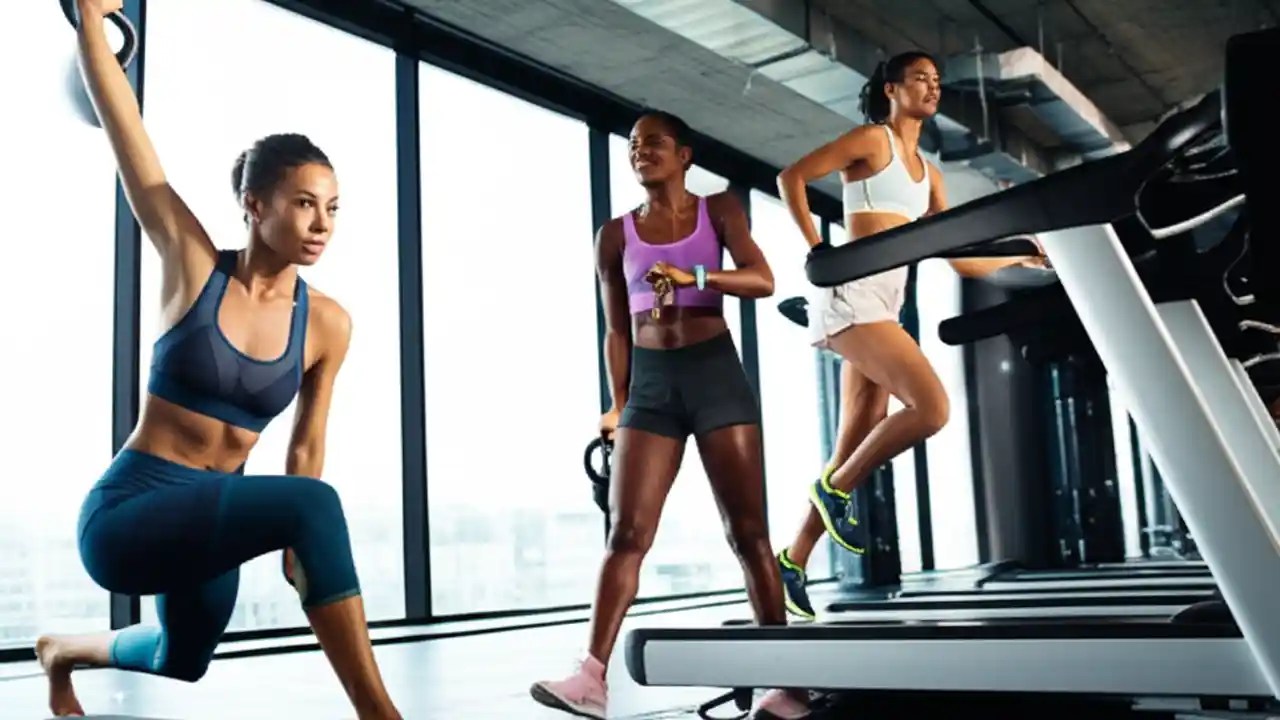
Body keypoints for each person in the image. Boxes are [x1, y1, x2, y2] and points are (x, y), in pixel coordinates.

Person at [35, 2, 401, 718]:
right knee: (314, 506)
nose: (322, 223)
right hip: (129, 512)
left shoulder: (327, 323)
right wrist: (89, 24)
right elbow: (128, 142)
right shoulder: (193, 268)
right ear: (253, 204)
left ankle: (63, 651)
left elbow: (307, 445)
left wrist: (301, 544)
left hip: (207, 515)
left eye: (332, 207)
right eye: (303, 203)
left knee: (185, 660)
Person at [529, 110, 801, 719]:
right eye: (632, 145)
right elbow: (615, 328)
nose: (640, 151)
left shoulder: (720, 210)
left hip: (714, 376)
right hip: (651, 389)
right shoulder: (615, 235)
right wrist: (618, 404)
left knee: (748, 534)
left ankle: (788, 681)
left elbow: (762, 280)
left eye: (653, 143)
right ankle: (590, 677)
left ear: (683, 155)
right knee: (626, 535)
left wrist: (691, 274)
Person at [770, 51, 1045, 625]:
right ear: (892, 89)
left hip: (884, 308)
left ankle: (791, 561)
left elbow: (960, 261)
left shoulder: (931, 175)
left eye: (937, 80)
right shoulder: (872, 142)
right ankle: (837, 491)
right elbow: (790, 177)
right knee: (931, 407)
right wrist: (815, 247)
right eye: (920, 78)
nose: (932, 87)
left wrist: (1021, 254)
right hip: (851, 300)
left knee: (851, 447)